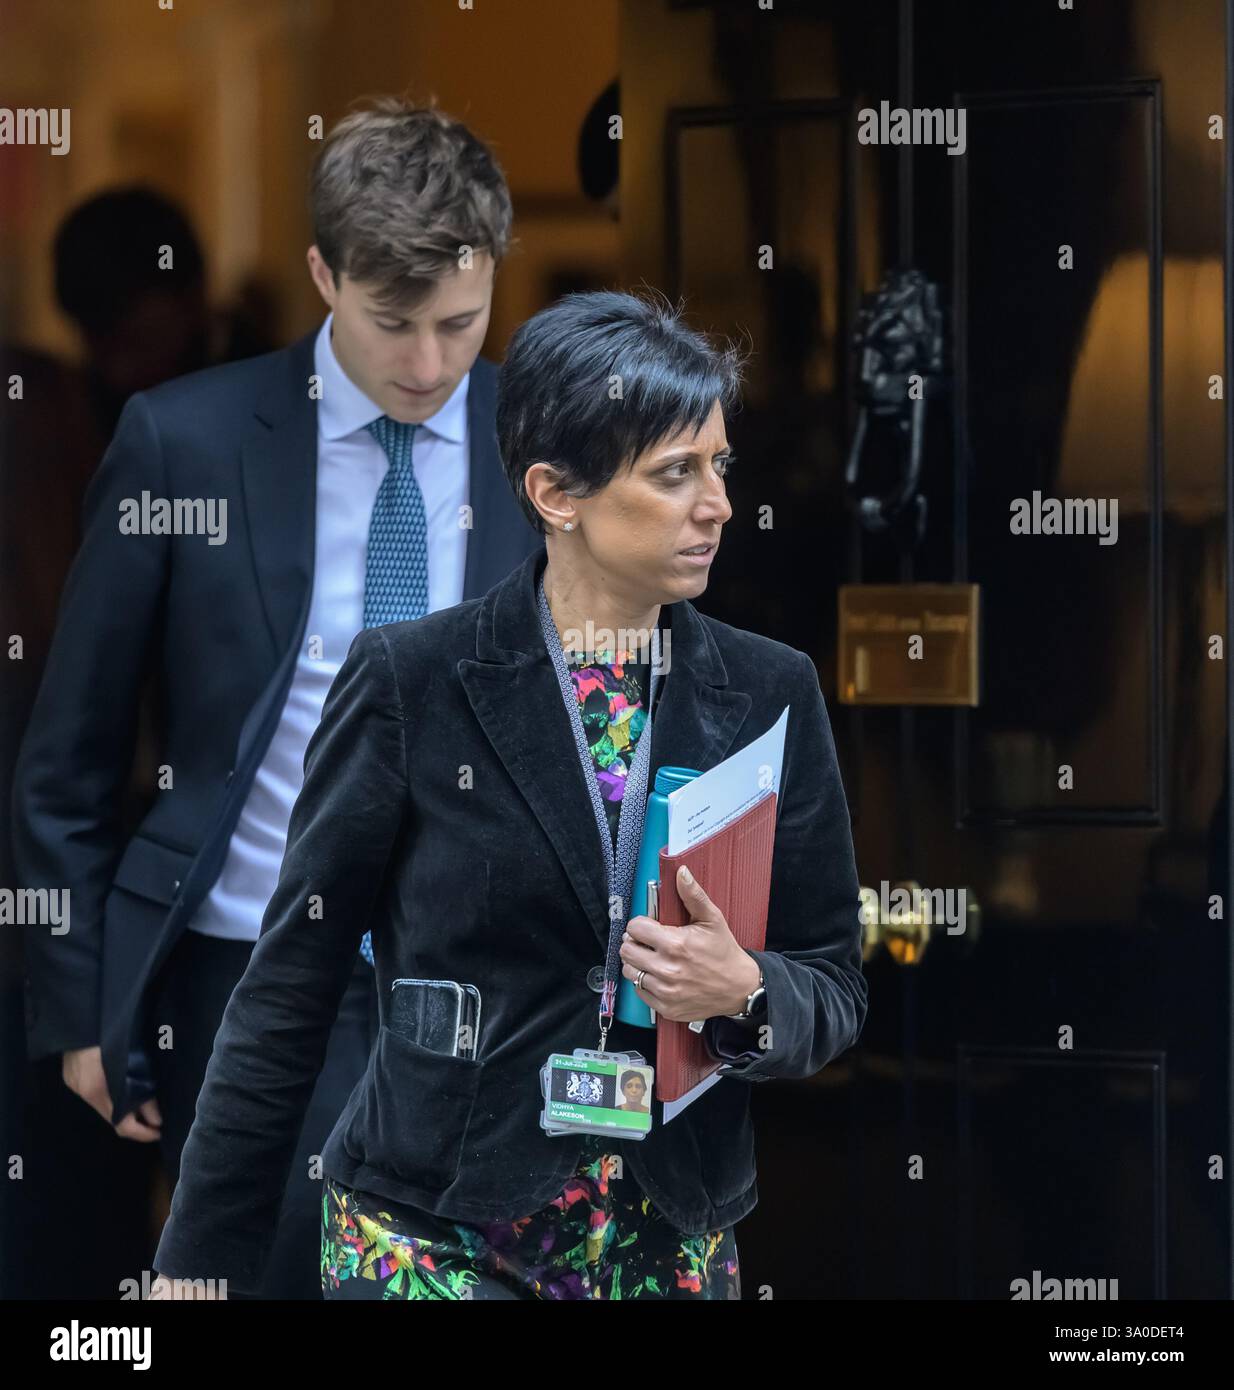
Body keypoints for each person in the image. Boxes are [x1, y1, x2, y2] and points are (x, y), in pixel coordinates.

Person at [151, 289, 867, 1302]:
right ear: (555, 493)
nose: (717, 503)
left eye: (719, 465)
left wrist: (744, 992)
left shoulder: (766, 690)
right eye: (674, 474)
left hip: (665, 1234)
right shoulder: (414, 681)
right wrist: (198, 1261)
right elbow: (289, 985)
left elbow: (833, 984)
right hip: (430, 1230)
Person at [11, 98, 541, 1299]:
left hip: (495, 984)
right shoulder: (182, 442)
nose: (424, 365)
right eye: (390, 322)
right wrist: (81, 1004)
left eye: (458, 323)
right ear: (321, 274)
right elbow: (70, 752)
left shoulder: (549, 445)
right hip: (252, 975)